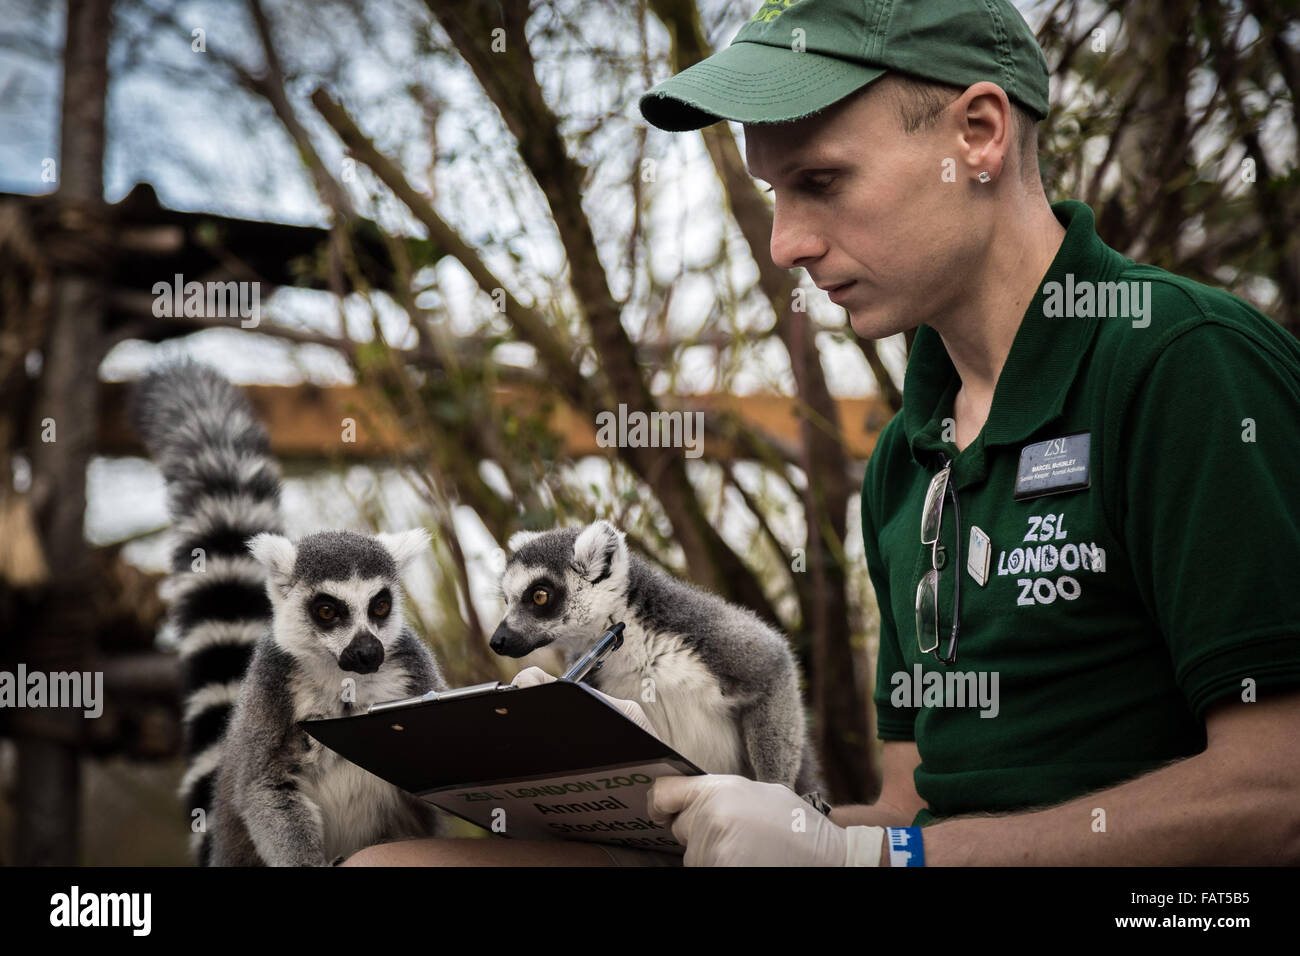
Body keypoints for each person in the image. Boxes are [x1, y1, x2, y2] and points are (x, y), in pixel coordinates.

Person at [346, 0, 1300, 866]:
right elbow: (911, 803)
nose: (787, 243)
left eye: (821, 180)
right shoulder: (906, 454)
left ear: (978, 134)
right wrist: (642, 806)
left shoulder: (1184, 365)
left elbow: (1280, 796)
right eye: (773, 196)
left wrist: (885, 864)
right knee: (403, 868)